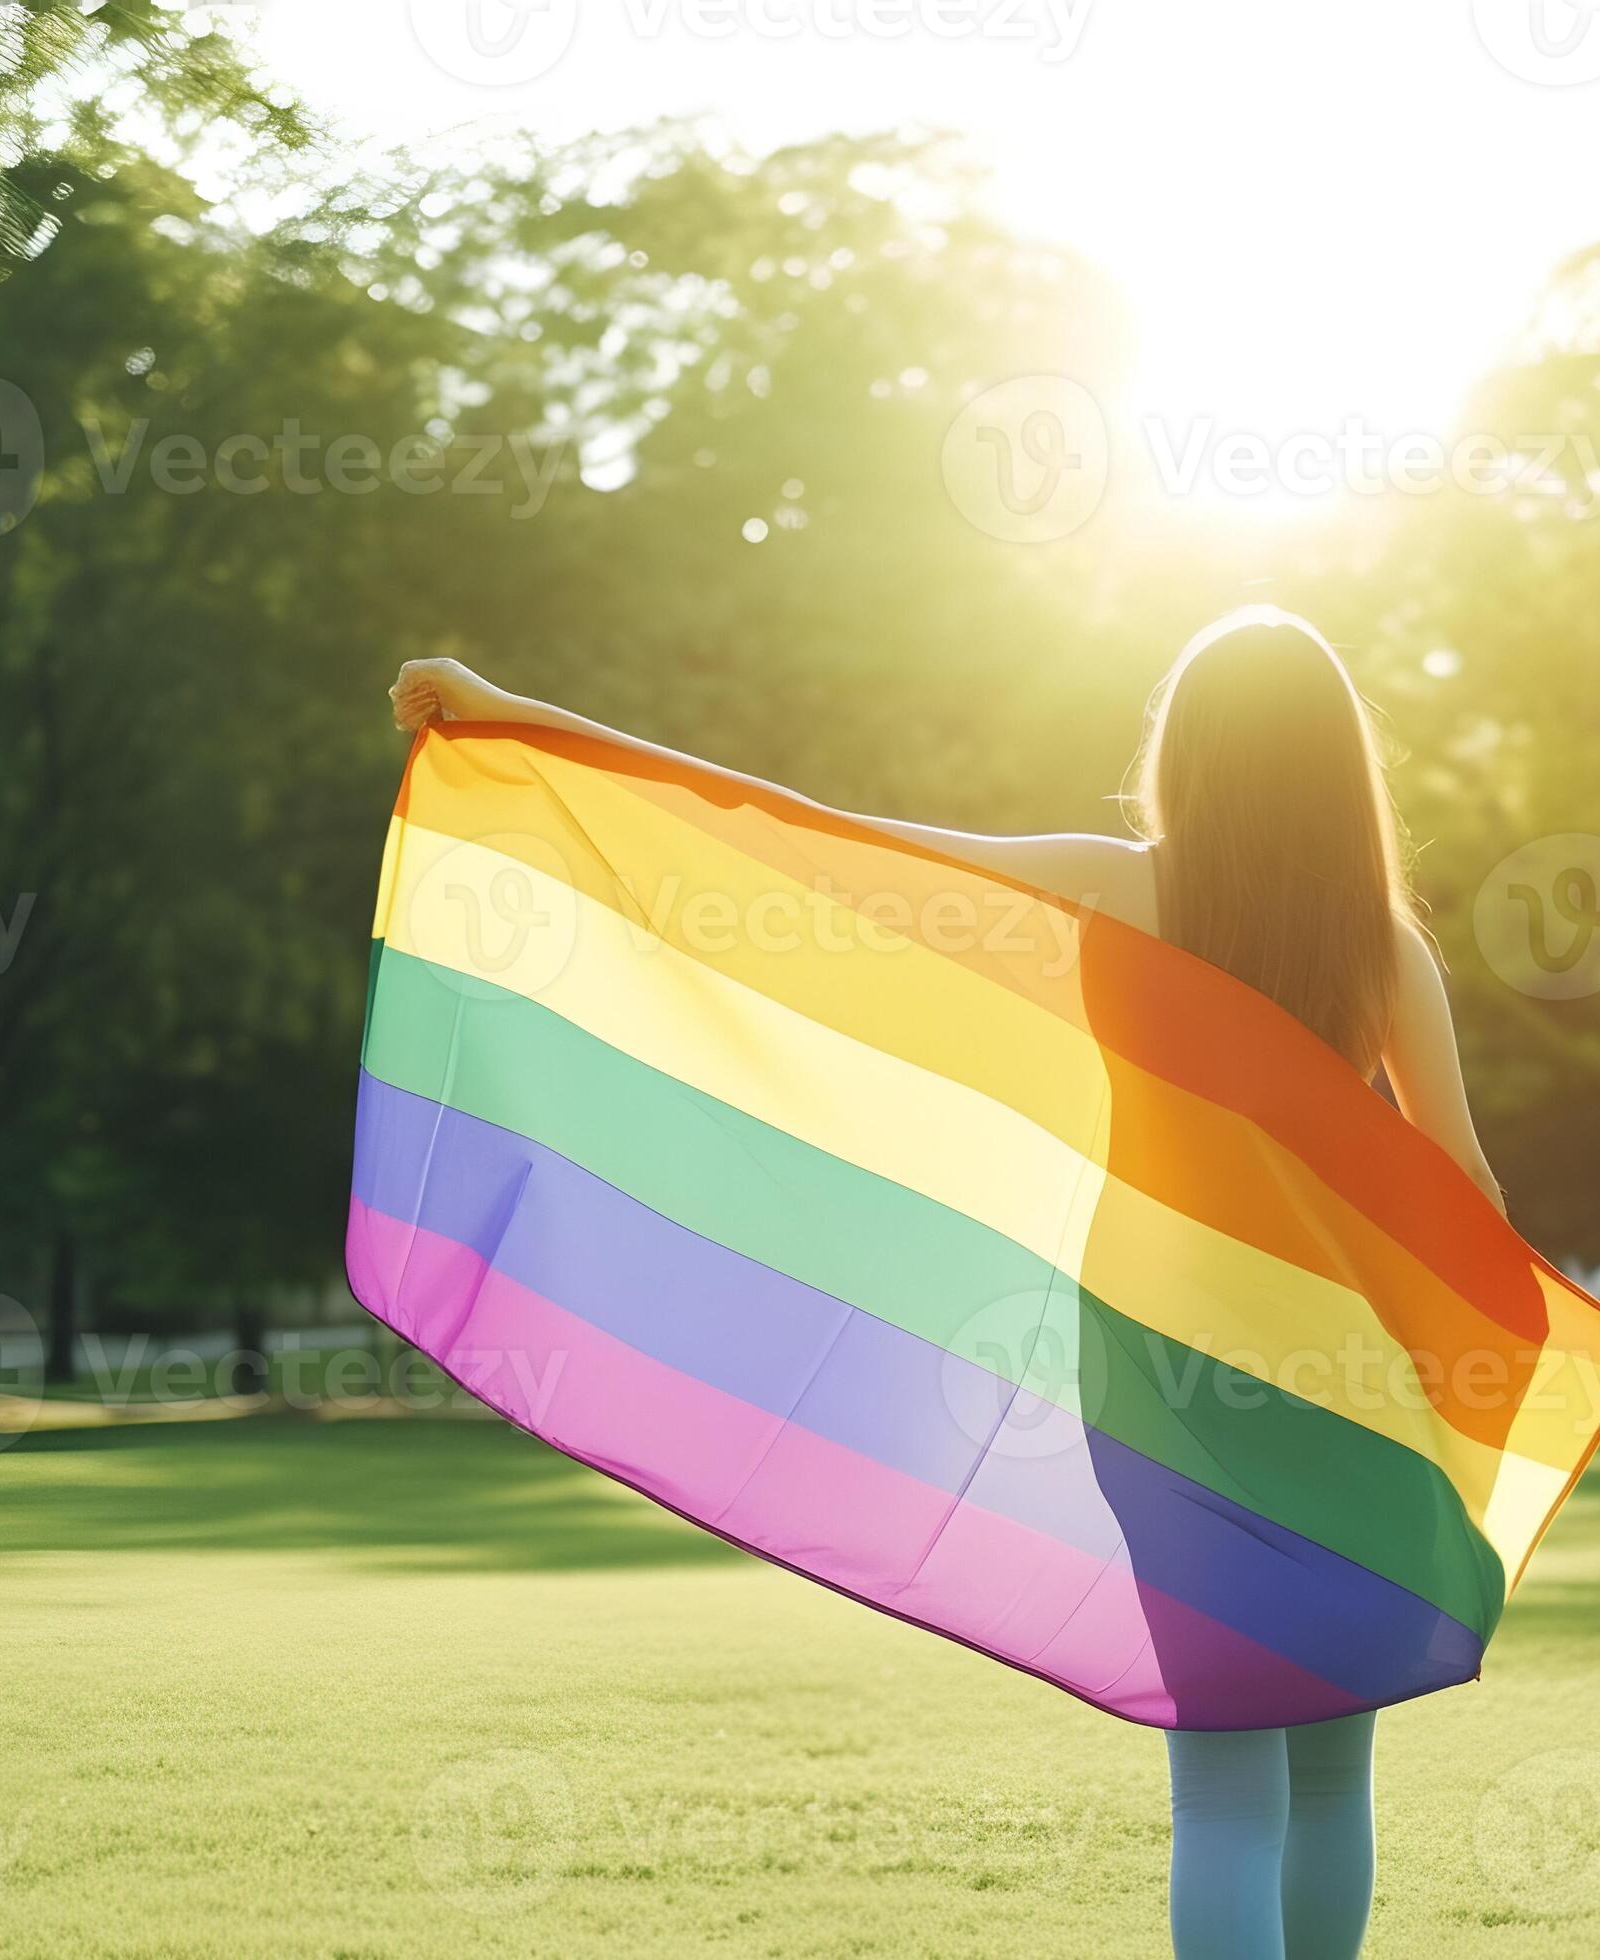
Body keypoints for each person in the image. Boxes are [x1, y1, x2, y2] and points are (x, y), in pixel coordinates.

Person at [389, 604, 1507, 1960]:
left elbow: (815, 839)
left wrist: (513, 712)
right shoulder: (1388, 953)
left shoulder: (1120, 888)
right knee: (1332, 1777)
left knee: (1222, 1789)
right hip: (1349, 1383)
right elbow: (1467, 1204)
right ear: (1341, 771)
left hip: (1158, 1365)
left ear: (1190, 754)